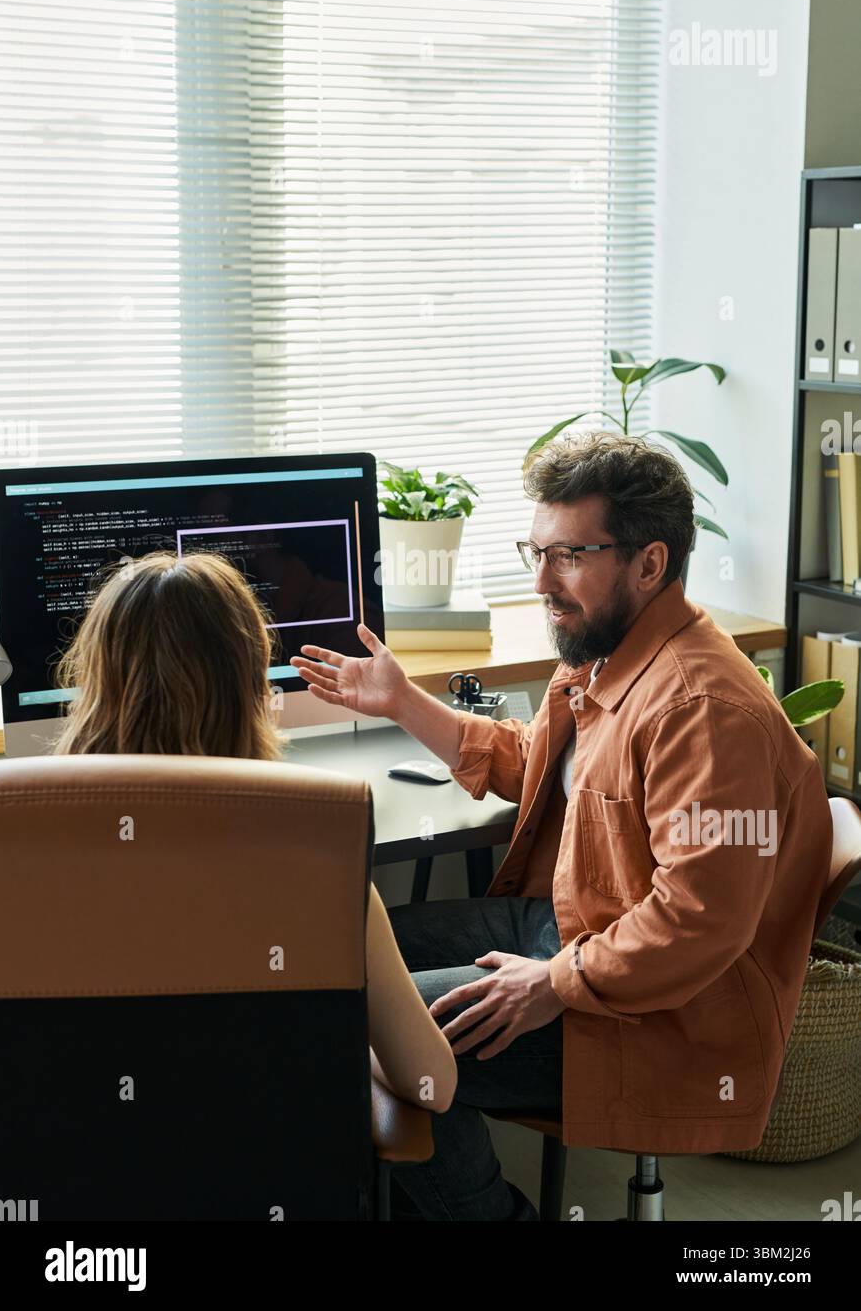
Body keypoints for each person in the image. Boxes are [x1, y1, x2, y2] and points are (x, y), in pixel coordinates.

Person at [290, 428, 833, 1222]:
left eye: (569, 556)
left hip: (655, 1010)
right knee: (333, 962)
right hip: (573, 930)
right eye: (535, 552)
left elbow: (700, 918)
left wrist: (552, 983)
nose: (542, 581)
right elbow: (533, 764)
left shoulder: (703, 710)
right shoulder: (603, 651)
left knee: (364, 1036)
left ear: (650, 562)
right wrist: (401, 701)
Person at [50, 549, 458, 1130]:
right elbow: (433, 1086)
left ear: (93, 678)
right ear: (249, 684)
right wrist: (353, 1039)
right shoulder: (317, 857)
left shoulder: (23, 855)